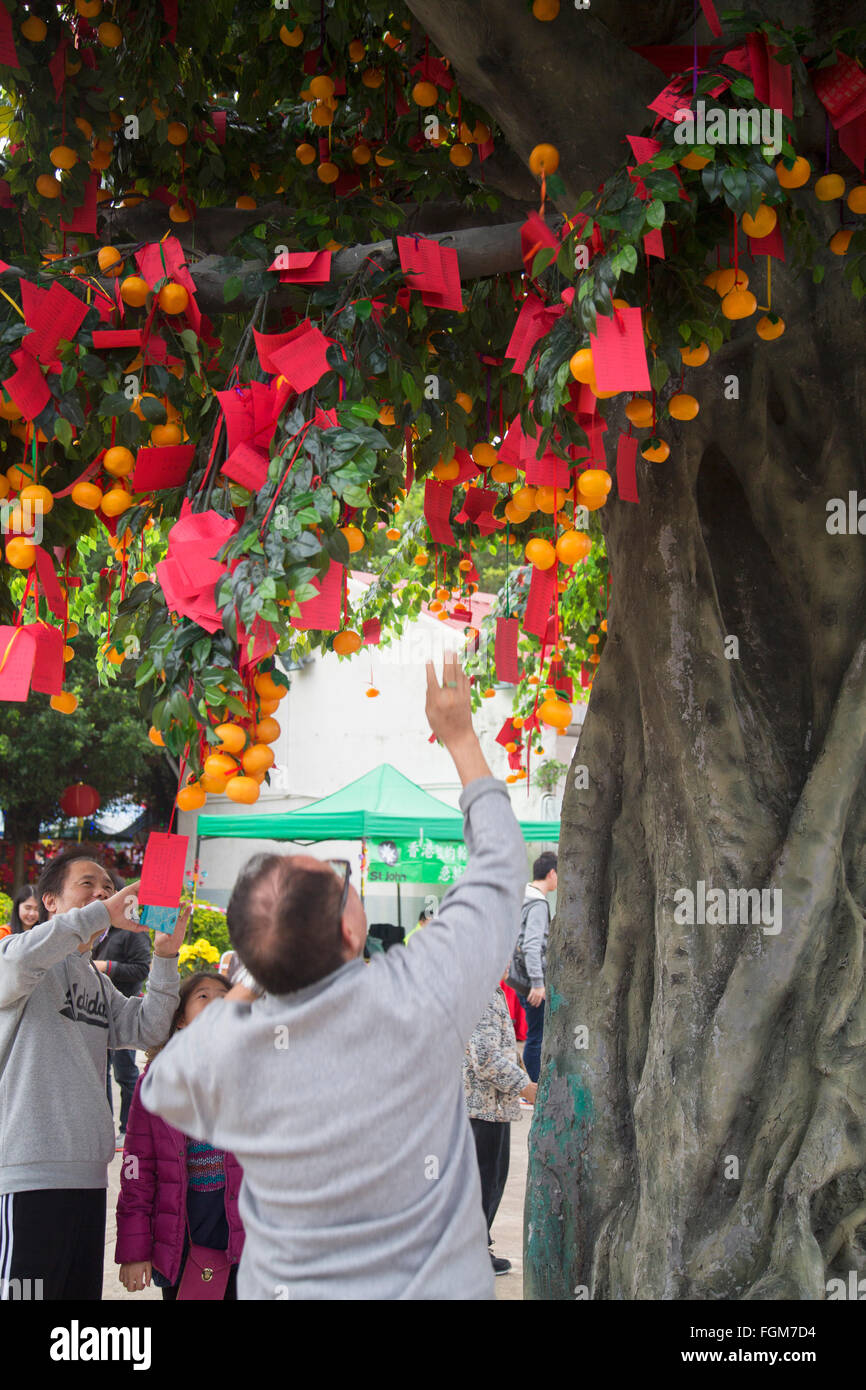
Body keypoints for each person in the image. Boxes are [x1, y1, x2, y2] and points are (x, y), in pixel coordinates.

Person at [141, 651, 527, 1300]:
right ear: (352, 931)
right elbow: (500, 865)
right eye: (339, 883)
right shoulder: (421, 989)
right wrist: (460, 737)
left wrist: (252, 979)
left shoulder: (225, 1050)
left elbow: (164, 1085)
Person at [0, 849, 185, 1301]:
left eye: (108, 885)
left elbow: (148, 1028)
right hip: (26, 1176)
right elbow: (24, 962)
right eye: (88, 883)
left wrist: (165, 956)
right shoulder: (14, 957)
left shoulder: (96, 982)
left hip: (88, 1178)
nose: (103, 892)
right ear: (50, 902)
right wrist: (103, 912)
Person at [116, 972, 244, 1301]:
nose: (217, 1002)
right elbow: (135, 1171)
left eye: (225, 996)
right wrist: (134, 1250)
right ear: (181, 1020)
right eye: (203, 996)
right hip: (184, 1244)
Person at [464, 983, 537, 1276]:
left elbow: (504, 1046)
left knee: (490, 1181)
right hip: (481, 1108)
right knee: (482, 1183)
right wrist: (525, 1087)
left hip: (491, 1106)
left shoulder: (490, 991)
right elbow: (484, 1057)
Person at [93, 872, 152, 1144]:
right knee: (100, 1073)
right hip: (96, 1008)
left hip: (124, 1006)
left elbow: (142, 968)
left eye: (108, 891)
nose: (102, 897)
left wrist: (107, 967)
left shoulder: (133, 930)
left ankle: (127, 1128)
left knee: (126, 1072)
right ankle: (104, 1126)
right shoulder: (98, 931)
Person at [519, 851, 558, 1085]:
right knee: (536, 1037)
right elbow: (532, 945)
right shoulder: (537, 902)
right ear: (551, 873)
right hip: (531, 981)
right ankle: (535, 1089)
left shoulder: (521, 896)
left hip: (519, 977)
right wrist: (537, 982)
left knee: (535, 1035)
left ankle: (533, 1087)